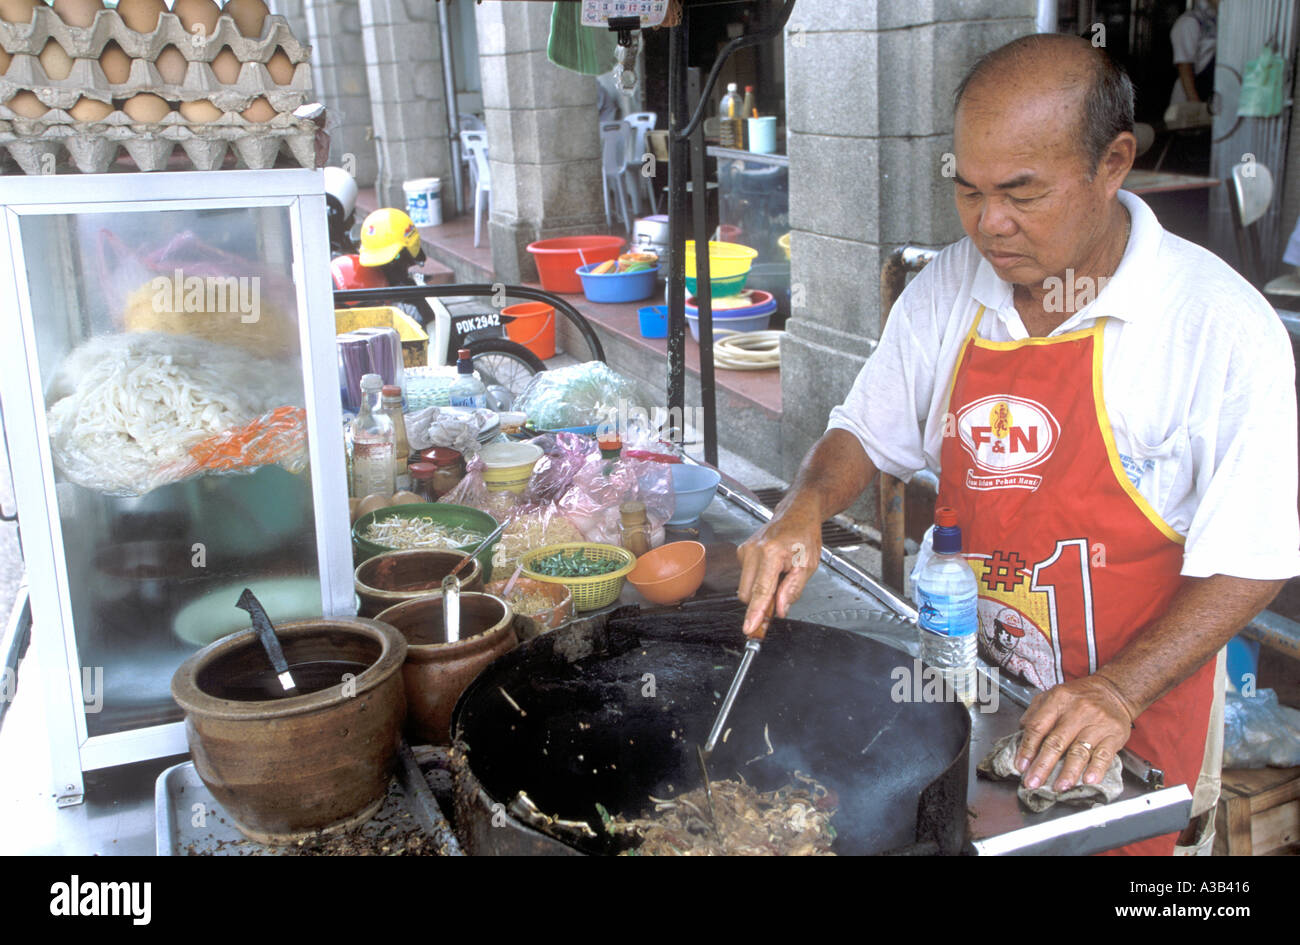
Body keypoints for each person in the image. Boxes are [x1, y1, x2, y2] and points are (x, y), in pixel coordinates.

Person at [737, 33, 1300, 856]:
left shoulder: (1217, 328)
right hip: (972, 692)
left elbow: (1253, 558)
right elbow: (864, 429)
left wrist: (1116, 688)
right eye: (967, 191)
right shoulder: (947, 290)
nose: (988, 226)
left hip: (1127, 718)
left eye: (1021, 194)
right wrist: (804, 505)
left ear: (1112, 163)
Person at [1170, 0, 1218, 107]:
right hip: (1188, 99)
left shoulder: (1219, 23)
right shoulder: (1188, 22)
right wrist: (1195, 105)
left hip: (1209, 98)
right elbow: (1184, 67)